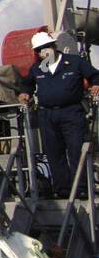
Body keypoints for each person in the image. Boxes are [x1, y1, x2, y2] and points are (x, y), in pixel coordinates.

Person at [18, 30, 99, 197]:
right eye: (40, 49)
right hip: (47, 115)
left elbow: (95, 75)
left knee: (77, 150)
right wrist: (24, 93)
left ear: (54, 46)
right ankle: (62, 188)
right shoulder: (37, 69)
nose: (44, 51)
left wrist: (96, 84)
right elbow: (27, 84)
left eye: (46, 47)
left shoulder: (75, 62)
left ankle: (82, 188)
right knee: (54, 152)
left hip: (72, 113)